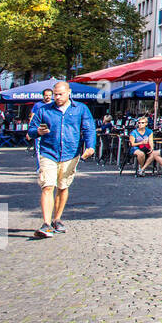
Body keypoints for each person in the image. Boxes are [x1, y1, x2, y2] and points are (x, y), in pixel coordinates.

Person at [27, 81, 96, 238]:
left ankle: (57, 219)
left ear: (69, 92)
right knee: (47, 186)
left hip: (71, 153)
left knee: (63, 186)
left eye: (60, 94)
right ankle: (46, 223)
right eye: (55, 94)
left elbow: (88, 128)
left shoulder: (80, 109)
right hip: (48, 151)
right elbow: (31, 131)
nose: (57, 97)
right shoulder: (44, 110)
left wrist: (90, 146)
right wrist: (37, 131)